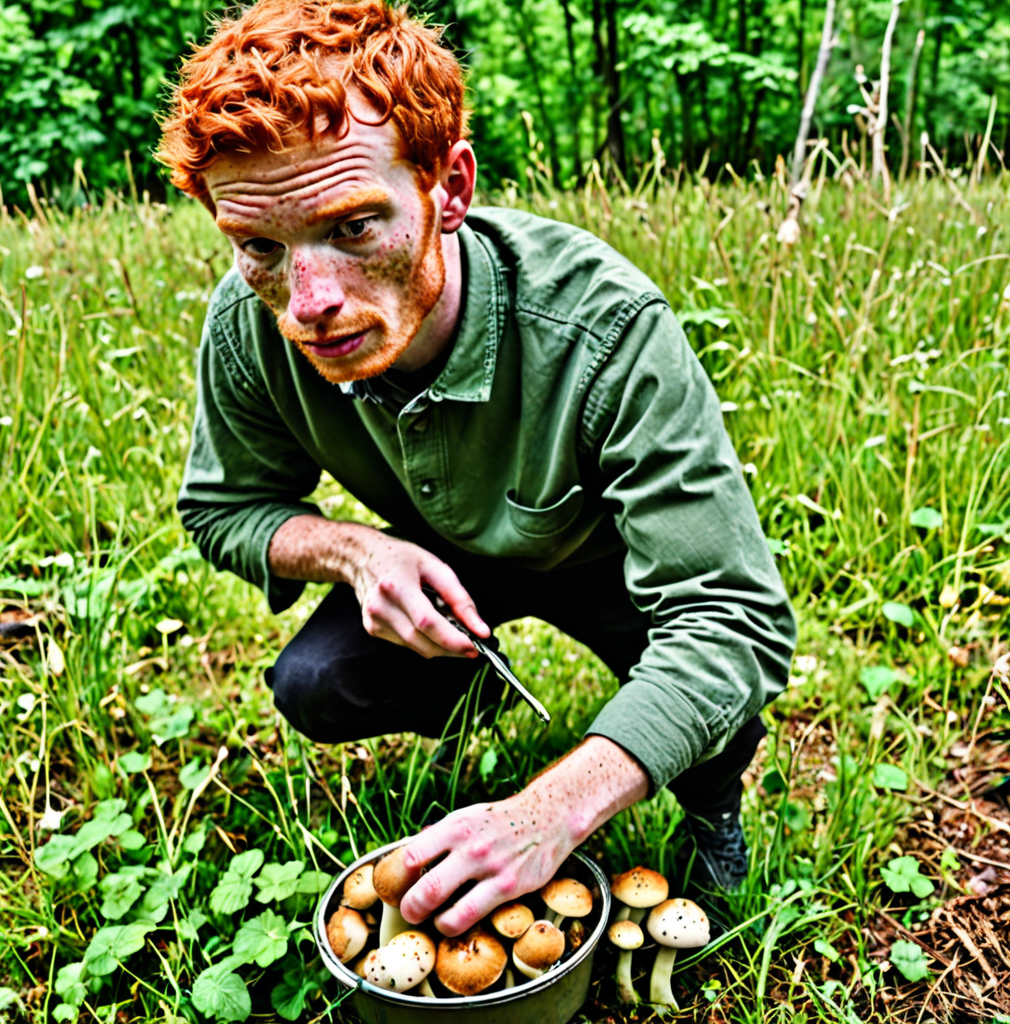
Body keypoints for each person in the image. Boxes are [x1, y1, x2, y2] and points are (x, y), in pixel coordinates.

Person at [158, 0, 796, 937]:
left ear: (447, 188)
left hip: (601, 553)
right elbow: (224, 507)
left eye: (353, 227)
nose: (309, 305)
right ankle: (476, 685)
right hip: (439, 552)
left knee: (707, 696)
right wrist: (356, 555)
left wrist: (551, 815)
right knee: (317, 681)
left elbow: (733, 620)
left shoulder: (605, 327)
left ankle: (714, 816)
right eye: (261, 247)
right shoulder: (250, 325)